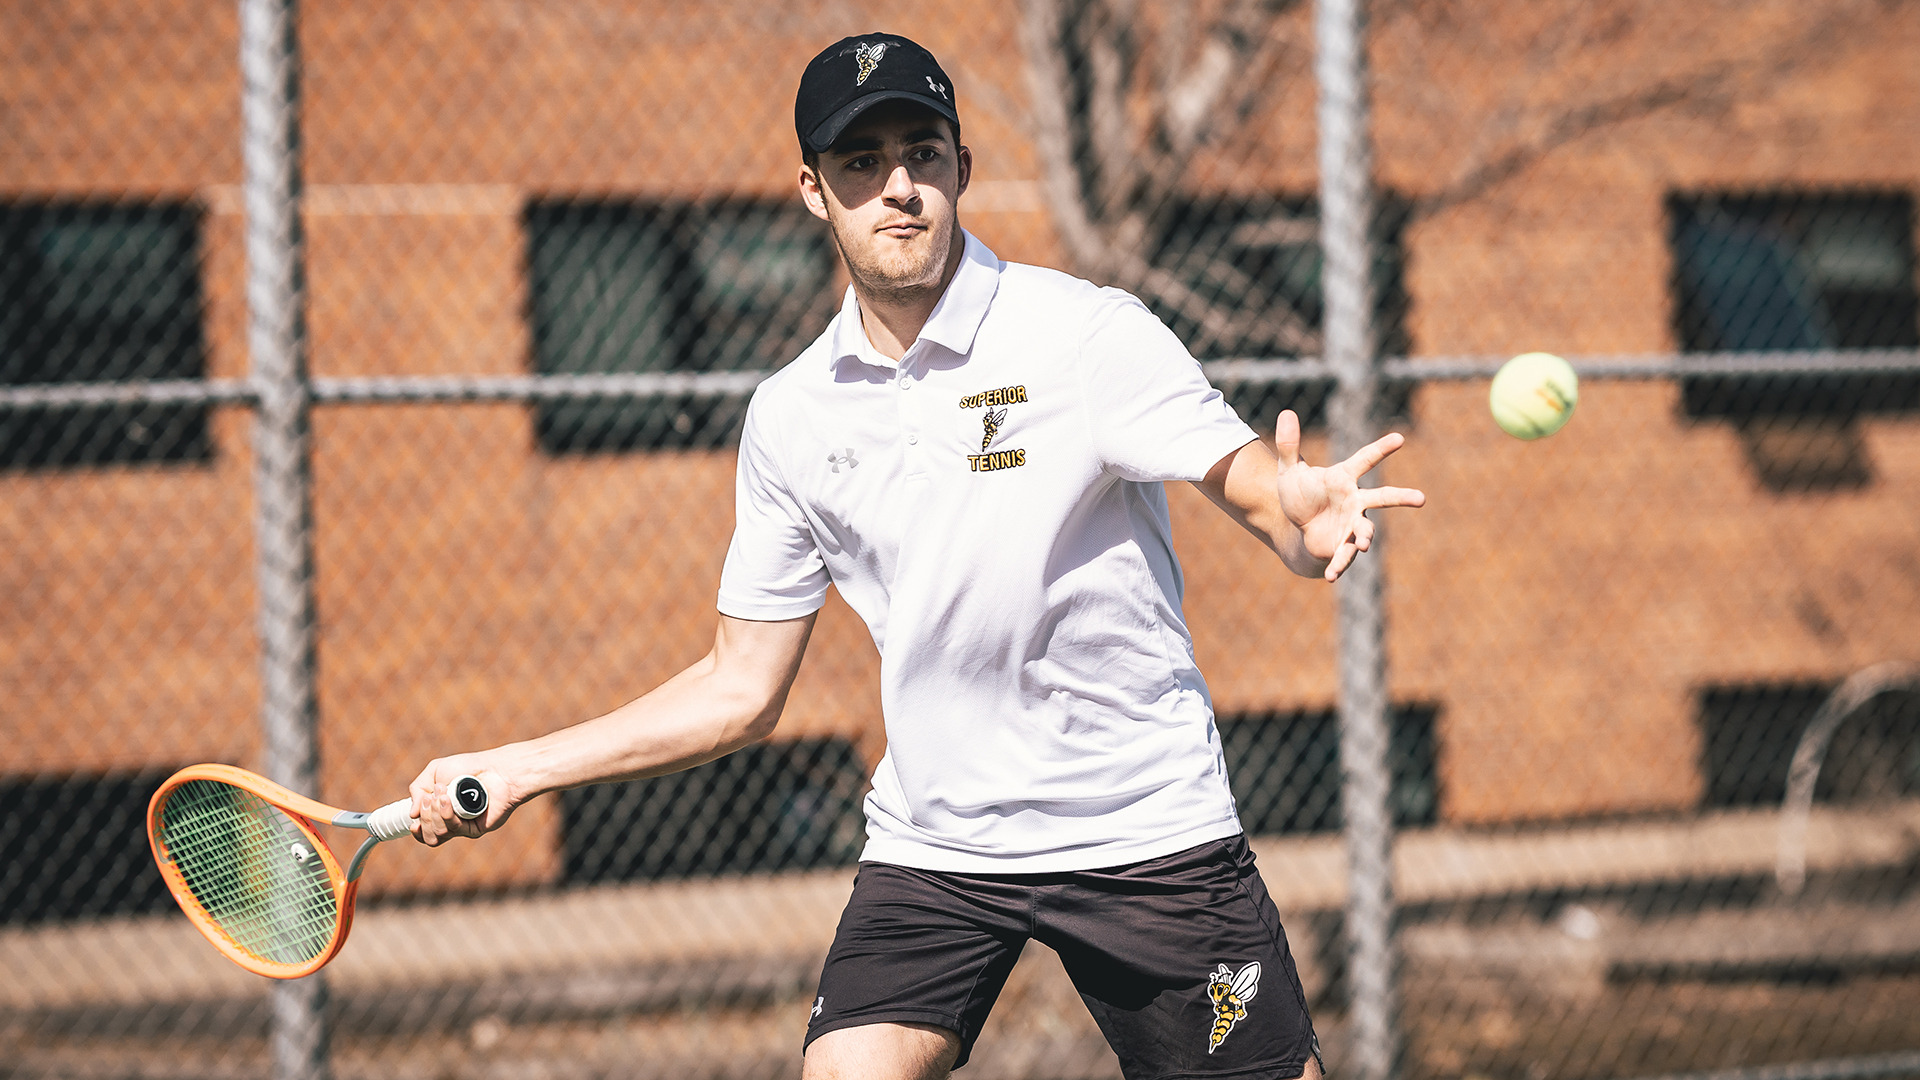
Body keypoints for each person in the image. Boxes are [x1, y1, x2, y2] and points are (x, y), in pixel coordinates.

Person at [407, 32, 1425, 1080]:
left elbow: (1254, 485)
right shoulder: (792, 417)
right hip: (940, 846)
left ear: (961, 168)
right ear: (814, 191)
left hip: (1140, 824)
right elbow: (738, 688)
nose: (901, 189)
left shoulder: (1084, 337)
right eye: (862, 163)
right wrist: (518, 769)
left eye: (923, 154)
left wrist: (1295, 522)